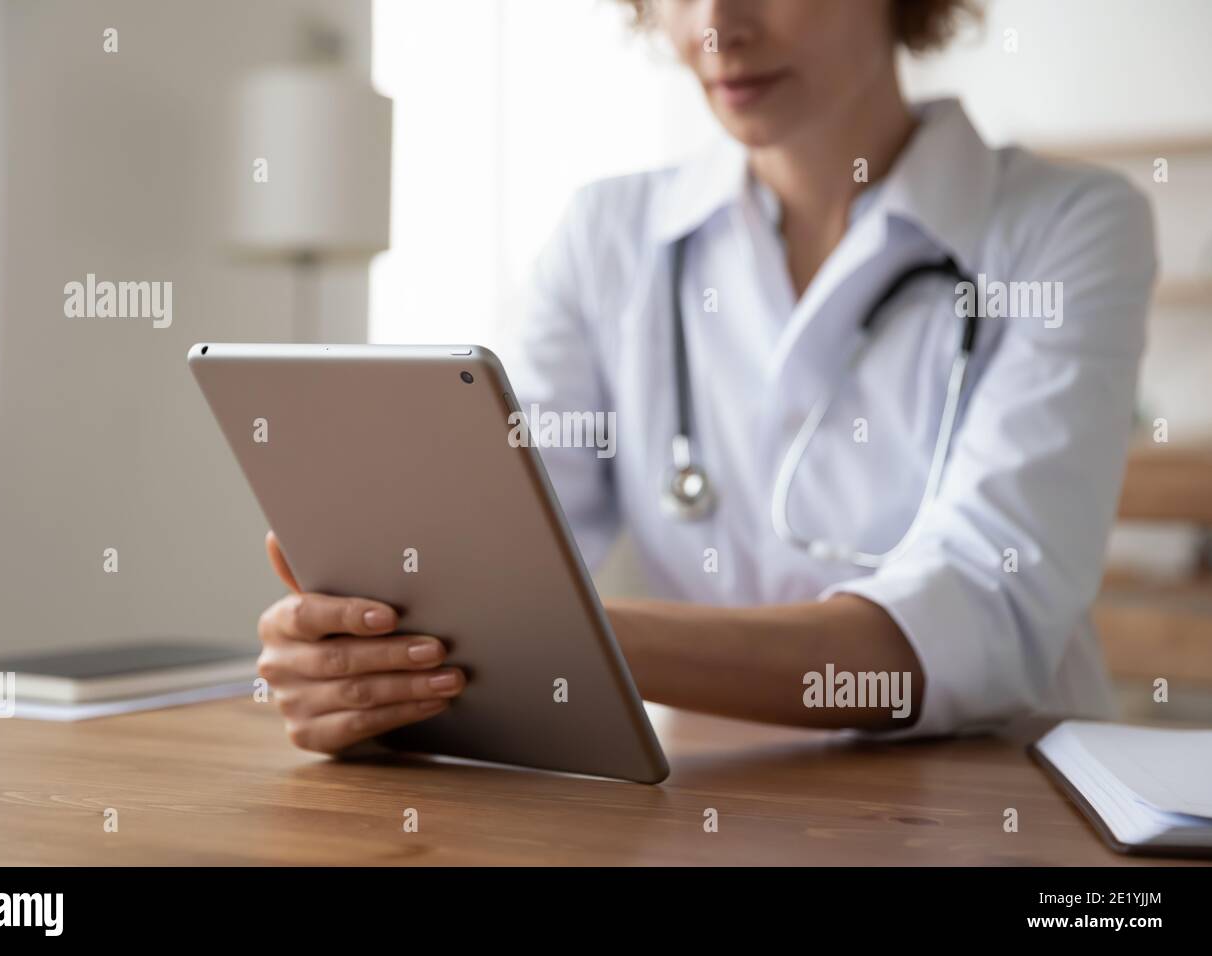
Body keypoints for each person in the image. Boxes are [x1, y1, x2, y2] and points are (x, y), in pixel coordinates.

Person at [255, 0, 1156, 755]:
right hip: (719, 798)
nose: (718, 26)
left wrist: (537, 630)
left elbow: (981, 618)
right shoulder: (609, 233)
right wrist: (364, 665)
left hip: (1001, 807)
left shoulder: (1069, 226)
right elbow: (485, 547)